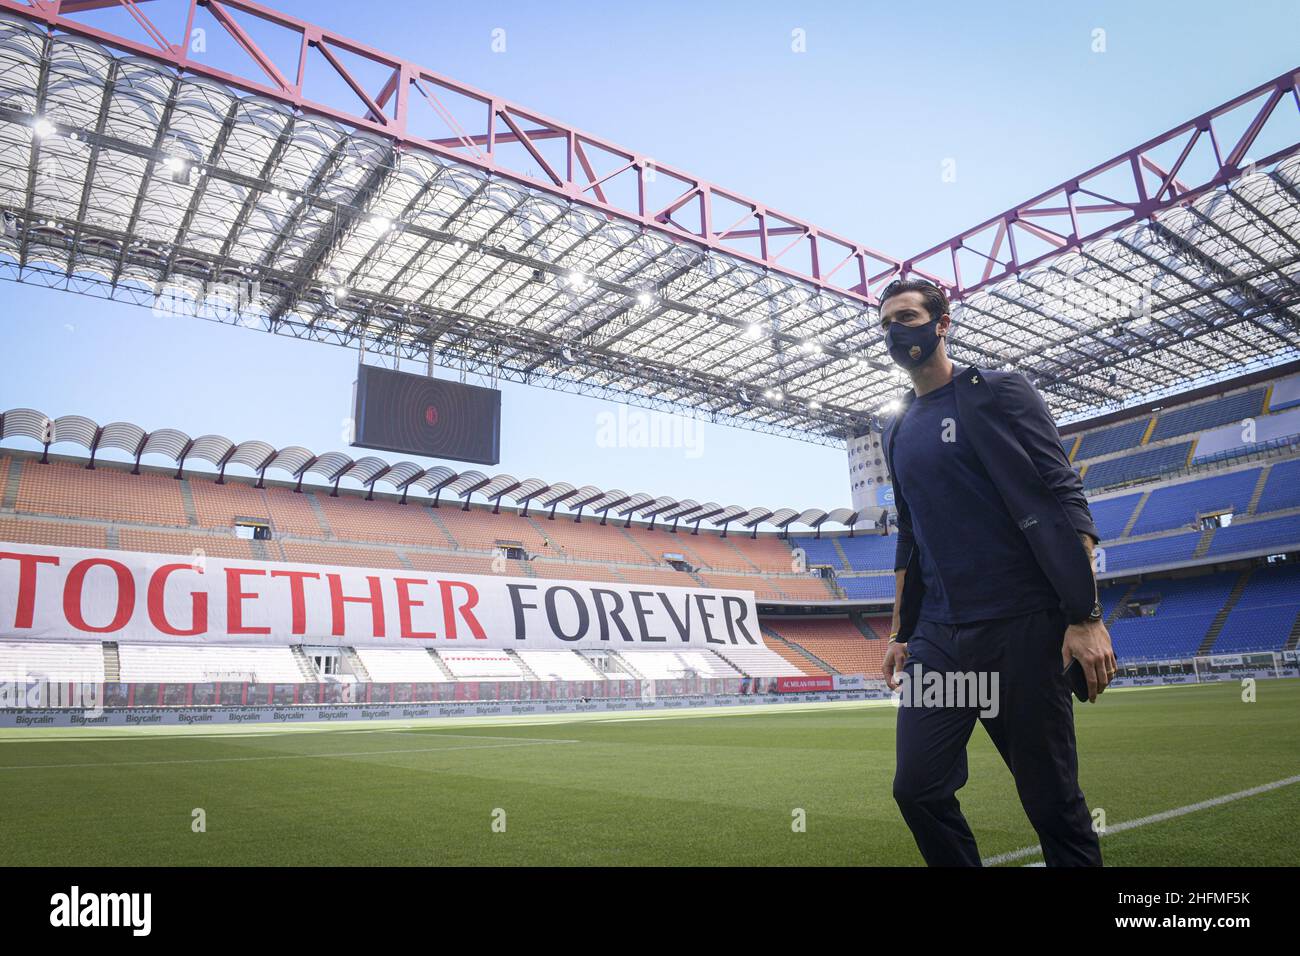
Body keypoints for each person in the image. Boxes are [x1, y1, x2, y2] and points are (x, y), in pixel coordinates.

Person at [877, 277, 1116, 867]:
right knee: (917, 788)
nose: (896, 331)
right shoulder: (896, 426)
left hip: (1021, 629)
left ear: (941, 323)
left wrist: (1084, 617)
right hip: (941, 638)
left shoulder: (1002, 393)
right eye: (886, 323)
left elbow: (1065, 498)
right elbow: (909, 535)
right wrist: (900, 633)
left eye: (907, 316)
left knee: (1051, 803)